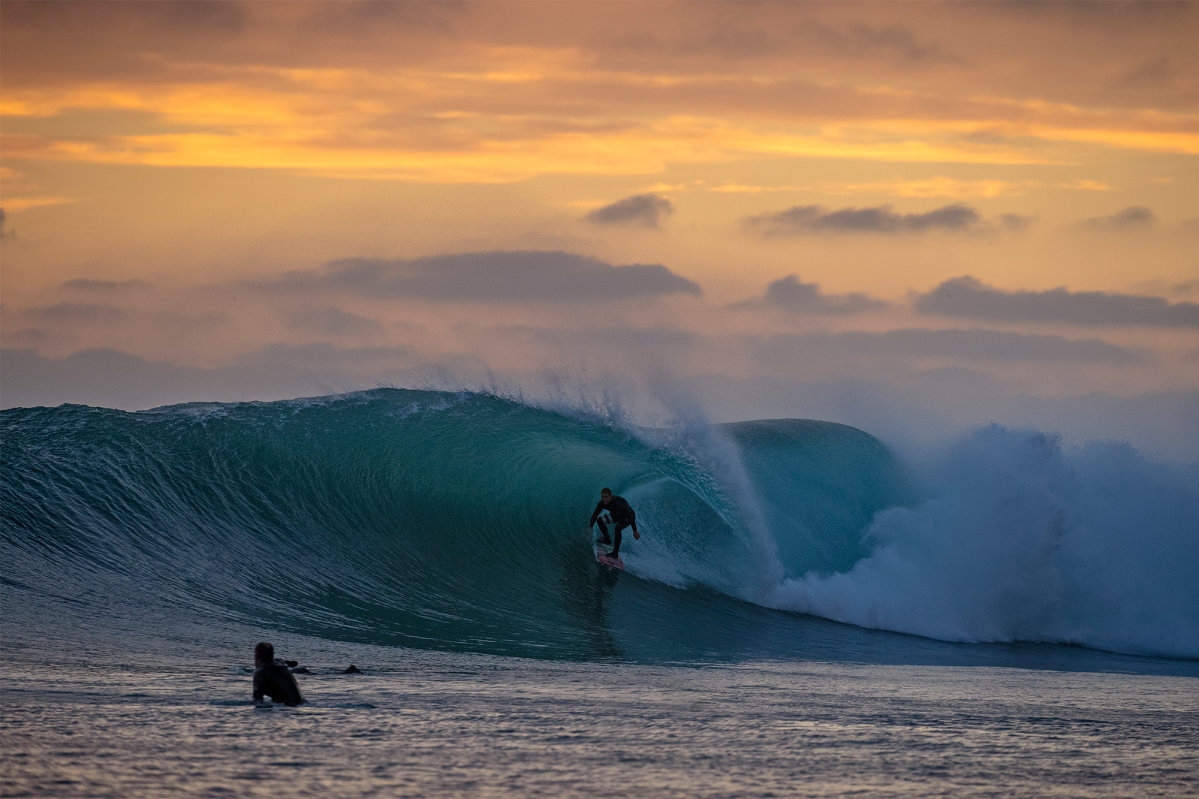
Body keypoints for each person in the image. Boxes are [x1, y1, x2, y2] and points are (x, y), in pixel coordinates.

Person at [588, 487, 640, 559]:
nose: (604, 499)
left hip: (627, 518)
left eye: (606, 497)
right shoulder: (602, 503)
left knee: (618, 528)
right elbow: (595, 514)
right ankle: (607, 539)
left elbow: (630, 515)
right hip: (616, 515)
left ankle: (615, 553)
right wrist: (590, 526)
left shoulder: (619, 502)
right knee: (600, 521)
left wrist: (635, 531)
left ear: (610, 496)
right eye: (602, 497)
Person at [252, 641, 305, 706]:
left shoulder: (260, 673)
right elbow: (294, 663)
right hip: (301, 703)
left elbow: (258, 702)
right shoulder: (280, 664)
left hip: (287, 709)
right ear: (272, 654)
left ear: (257, 655)